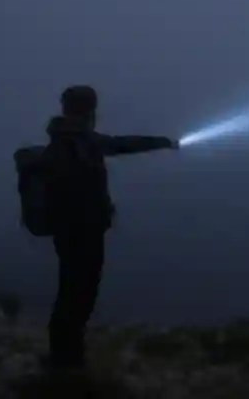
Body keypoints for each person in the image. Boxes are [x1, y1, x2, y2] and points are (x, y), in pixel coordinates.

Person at [43, 85, 178, 370]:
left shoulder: (62, 140)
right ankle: (67, 367)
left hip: (67, 231)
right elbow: (123, 144)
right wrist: (163, 142)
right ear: (90, 110)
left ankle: (63, 361)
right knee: (79, 297)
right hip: (84, 232)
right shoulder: (83, 141)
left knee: (70, 293)